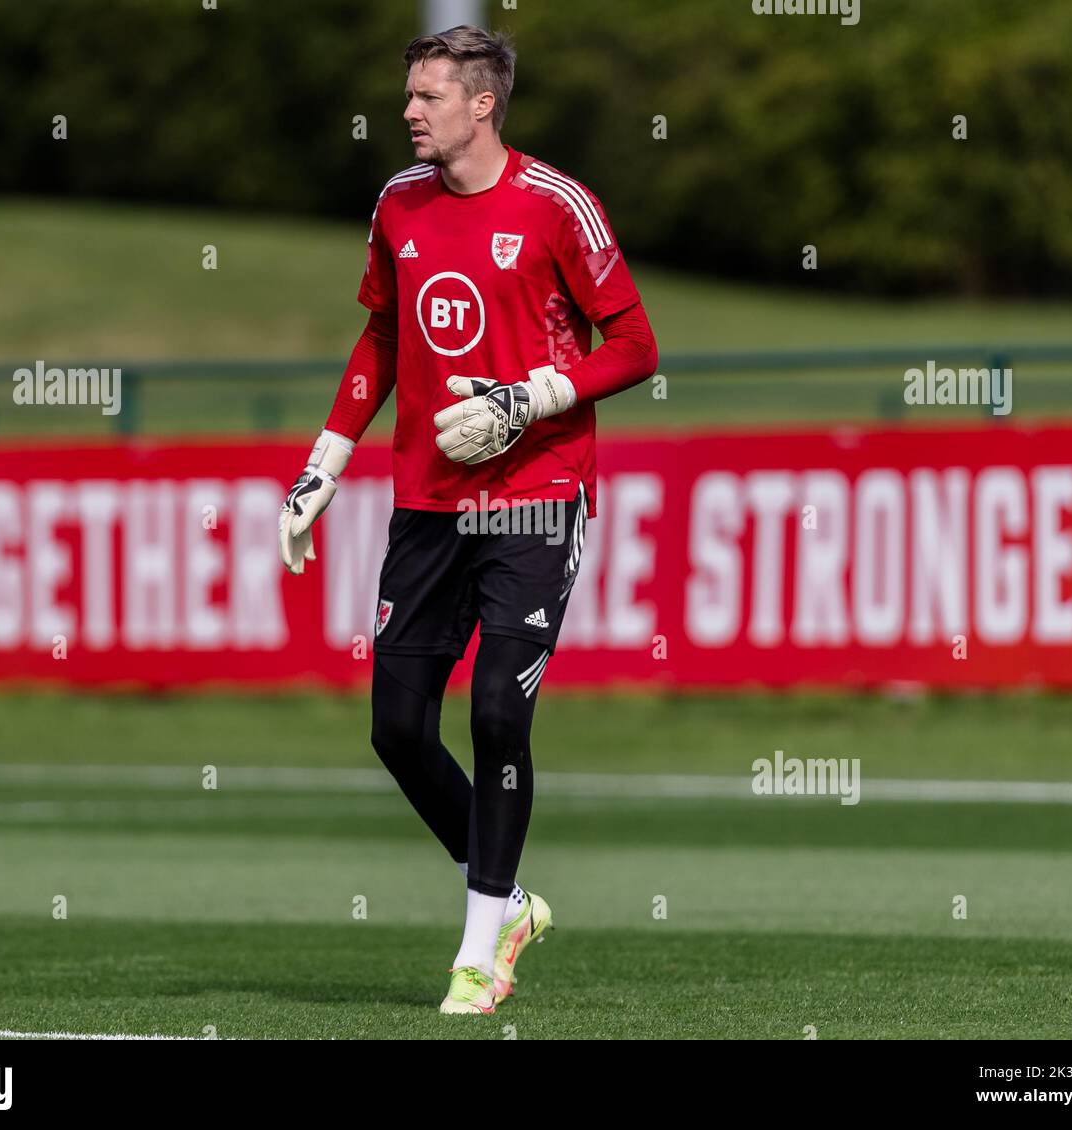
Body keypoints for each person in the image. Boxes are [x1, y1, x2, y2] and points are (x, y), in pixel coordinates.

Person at [279, 24, 658, 1014]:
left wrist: (532, 397)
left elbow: (635, 344)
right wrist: (326, 459)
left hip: (536, 498)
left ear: (482, 105)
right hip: (427, 504)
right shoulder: (396, 206)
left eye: (430, 95)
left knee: (496, 710)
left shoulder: (554, 205)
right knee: (397, 728)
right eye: (409, 93)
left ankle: (478, 950)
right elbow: (380, 336)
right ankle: (514, 899)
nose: (409, 109)